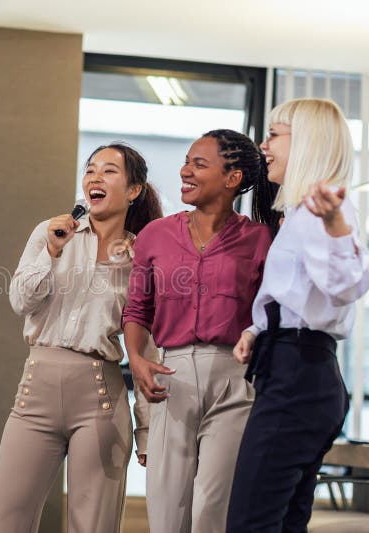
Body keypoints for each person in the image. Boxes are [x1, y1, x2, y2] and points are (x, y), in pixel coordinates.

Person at [0, 143, 162, 533]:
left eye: (110, 171)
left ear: (134, 190)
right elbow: (21, 301)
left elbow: (147, 347)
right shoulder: (53, 232)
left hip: (100, 395)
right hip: (36, 391)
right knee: (3, 520)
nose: (95, 177)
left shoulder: (141, 255)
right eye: (91, 169)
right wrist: (51, 249)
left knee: (93, 524)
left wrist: (147, 429)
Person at [225, 98, 369, 532]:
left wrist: (335, 225)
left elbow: (348, 287)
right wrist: (256, 330)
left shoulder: (325, 210)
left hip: (298, 376)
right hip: (295, 368)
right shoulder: (298, 214)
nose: (263, 145)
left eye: (274, 134)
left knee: (251, 523)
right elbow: (300, 297)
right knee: (284, 521)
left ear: (305, 141)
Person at [122, 129, 276, 533]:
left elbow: (268, 318)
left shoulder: (261, 240)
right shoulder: (156, 235)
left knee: (214, 507)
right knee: (167, 506)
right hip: (169, 375)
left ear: (233, 179)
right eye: (187, 161)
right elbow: (138, 308)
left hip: (235, 378)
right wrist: (137, 359)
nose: (185, 170)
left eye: (198, 164)